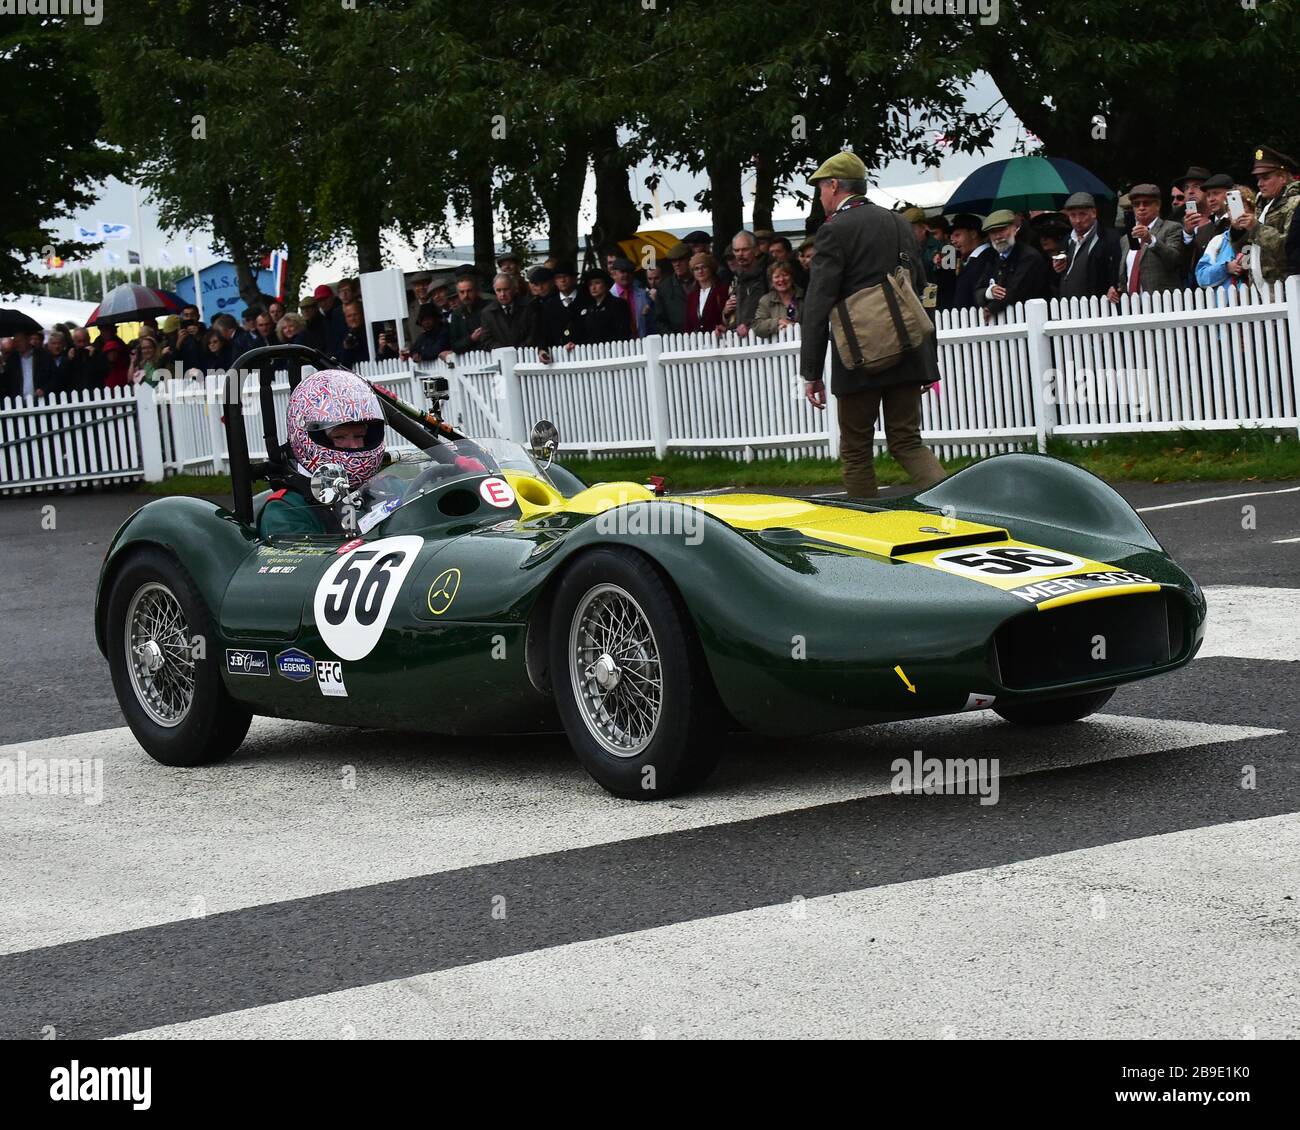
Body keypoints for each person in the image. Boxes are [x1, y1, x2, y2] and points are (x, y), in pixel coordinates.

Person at [799, 151, 946, 499]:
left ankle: (867, 533)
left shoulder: (833, 230)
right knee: (908, 442)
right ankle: (957, 511)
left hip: (859, 357)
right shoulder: (898, 223)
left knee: (856, 450)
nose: (820, 196)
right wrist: (928, 360)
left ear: (835, 186)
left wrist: (812, 372)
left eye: (821, 188)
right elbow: (923, 289)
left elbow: (817, 305)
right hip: (909, 350)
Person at [259, 369, 387, 538]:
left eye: (360, 436)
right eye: (339, 436)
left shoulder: (383, 489)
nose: (354, 445)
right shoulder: (286, 510)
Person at [1107, 184, 1183, 300]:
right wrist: (1118, 290)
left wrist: (1151, 240)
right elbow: (1128, 274)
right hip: (1133, 306)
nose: (1141, 208)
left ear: (1158, 205)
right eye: (1136, 204)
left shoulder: (1171, 228)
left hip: (1163, 303)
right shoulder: (1126, 239)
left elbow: (1174, 260)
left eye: (1146, 203)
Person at [977, 210, 1052, 319]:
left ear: (1014, 229)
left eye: (1002, 230)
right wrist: (989, 292)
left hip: (1032, 320)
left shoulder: (1029, 257)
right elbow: (978, 290)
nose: (998, 236)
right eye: (993, 232)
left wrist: (991, 308)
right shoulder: (993, 259)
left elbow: (1015, 291)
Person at [1246, 146, 1300, 285]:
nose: (1259, 184)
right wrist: (1237, 232)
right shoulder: (1263, 205)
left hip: (1285, 288)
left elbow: (1289, 247)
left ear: (1282, 177)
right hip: (1261, 289)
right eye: (1258, 179)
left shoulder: (1295, 203)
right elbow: (1252, 247)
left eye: (1265, 178)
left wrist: (1256, 228)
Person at [1056, 192, 1122, 301]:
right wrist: (1057, 268)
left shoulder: (1110, 238)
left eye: (1082, 214)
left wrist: (1114, 287)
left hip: (1099, 306)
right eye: (1073, 215)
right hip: (1068, 307)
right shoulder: (1067, 240)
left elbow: (1117, 270)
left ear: (1094, 213)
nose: (1077, 220)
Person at [1196, 185, 1259, 294]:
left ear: (1252, 210)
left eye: (1242, 207)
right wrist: (1226, 268)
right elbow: (1201, 276)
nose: (1236, 214)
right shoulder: (1218, 241)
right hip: (1226, 306)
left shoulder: (1263, 235)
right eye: (1230, 209)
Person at [480, 274, 549, 352]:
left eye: (506, 289)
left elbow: (534, 334)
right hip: (502, 357)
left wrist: (519, 350)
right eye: (498, 290)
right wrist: (505, 350)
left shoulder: (529, 306)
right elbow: (487, 340)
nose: (502, 294)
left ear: (514, 289)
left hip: (528, 354)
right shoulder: (487, 313)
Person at [1183, 173, 1233, 280]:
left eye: (1216, 194)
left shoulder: (1238, 224)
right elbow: (1190, 265)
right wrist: (1188, 233)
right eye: (1208, 195)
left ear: (1230, 194)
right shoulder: (1203, 230)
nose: (1211, 199)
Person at [569, 269, 632, 346]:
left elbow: (622, 332)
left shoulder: (618, 304)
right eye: (590, 284)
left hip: (615, 350)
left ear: (606, 285)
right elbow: (587, 335)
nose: (593, 287)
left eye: (597, 283)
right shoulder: (590, 309)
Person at [946, 213, 993, 311]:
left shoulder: (987, 258)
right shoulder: (971, 260)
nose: (953, 241)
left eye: (957, 235)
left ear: (973, 234)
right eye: (952, 237)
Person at [722, 231, 767, 337]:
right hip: (744, 340)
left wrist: (750, 326)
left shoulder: (768, 274)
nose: (740, 254)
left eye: (745, 249)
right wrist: (727, 326)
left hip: (766, 338)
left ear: (756, 250)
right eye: (736, 250)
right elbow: (740, 318)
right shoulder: (737, 279)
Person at [752, 260, 804, 338]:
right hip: (778, 347)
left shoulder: (804, 296)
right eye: (777, 277)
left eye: (785, 275)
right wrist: (778, 322)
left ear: (792, 277)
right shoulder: (766, 300)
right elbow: (758, 326)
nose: (781, 279)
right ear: (771, 281)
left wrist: (794, 327)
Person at [2, 330, 56, 399]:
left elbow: (54, 377)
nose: (17, 344)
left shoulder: (43, 356)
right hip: (19, 402)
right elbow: (7, 382)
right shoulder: (12, 360)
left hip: (40, 400)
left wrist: (44, 389)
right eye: (15, 342)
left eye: (19, 341)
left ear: (27, 340)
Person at [446, 274, 491, 355]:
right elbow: (454, 346)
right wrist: (471, 339)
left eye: (469, 291)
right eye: (462, 292)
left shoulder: (489, 307)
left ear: (476, 291)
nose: (465, 295)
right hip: (468, 362)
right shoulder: (456, 315)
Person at [654, 242, 692, 333]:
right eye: (673, 261)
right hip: (675, 341)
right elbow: (660, 320)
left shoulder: (701, 281)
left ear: (689, 259)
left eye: (681, 260)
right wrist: (672, 338)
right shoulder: (664, 288)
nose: (677, 264)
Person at [610, 258, 653, 337]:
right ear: (614, 274)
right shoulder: (609, 296)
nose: (626, 275)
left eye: (629, 272)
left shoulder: (643, 294)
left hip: (642, 340)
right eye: (622, 272)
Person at [684, 252, 727, 332]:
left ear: (710, 269)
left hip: (718, 339)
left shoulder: (721, 291)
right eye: (696, 269)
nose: (700, 271)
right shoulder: (692, 296)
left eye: (703, 267)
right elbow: (688, 323)